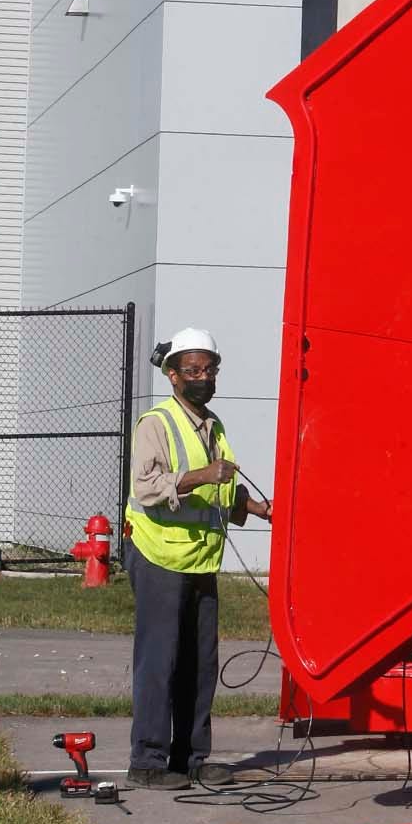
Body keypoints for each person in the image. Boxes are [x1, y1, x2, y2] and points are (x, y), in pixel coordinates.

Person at [124, 326, 271, 790]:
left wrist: (260, 509)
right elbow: (146, 487)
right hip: (160, 557)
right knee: (160, 660)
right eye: (192, 370)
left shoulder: (214, 426)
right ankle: (147, 761)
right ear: (172, 375)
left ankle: (192, 757)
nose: (202, 377)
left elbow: (220, 491)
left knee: (200, 663)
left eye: (208, 369)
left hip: (201, 561)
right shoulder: (157, 423)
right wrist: (201, 473)